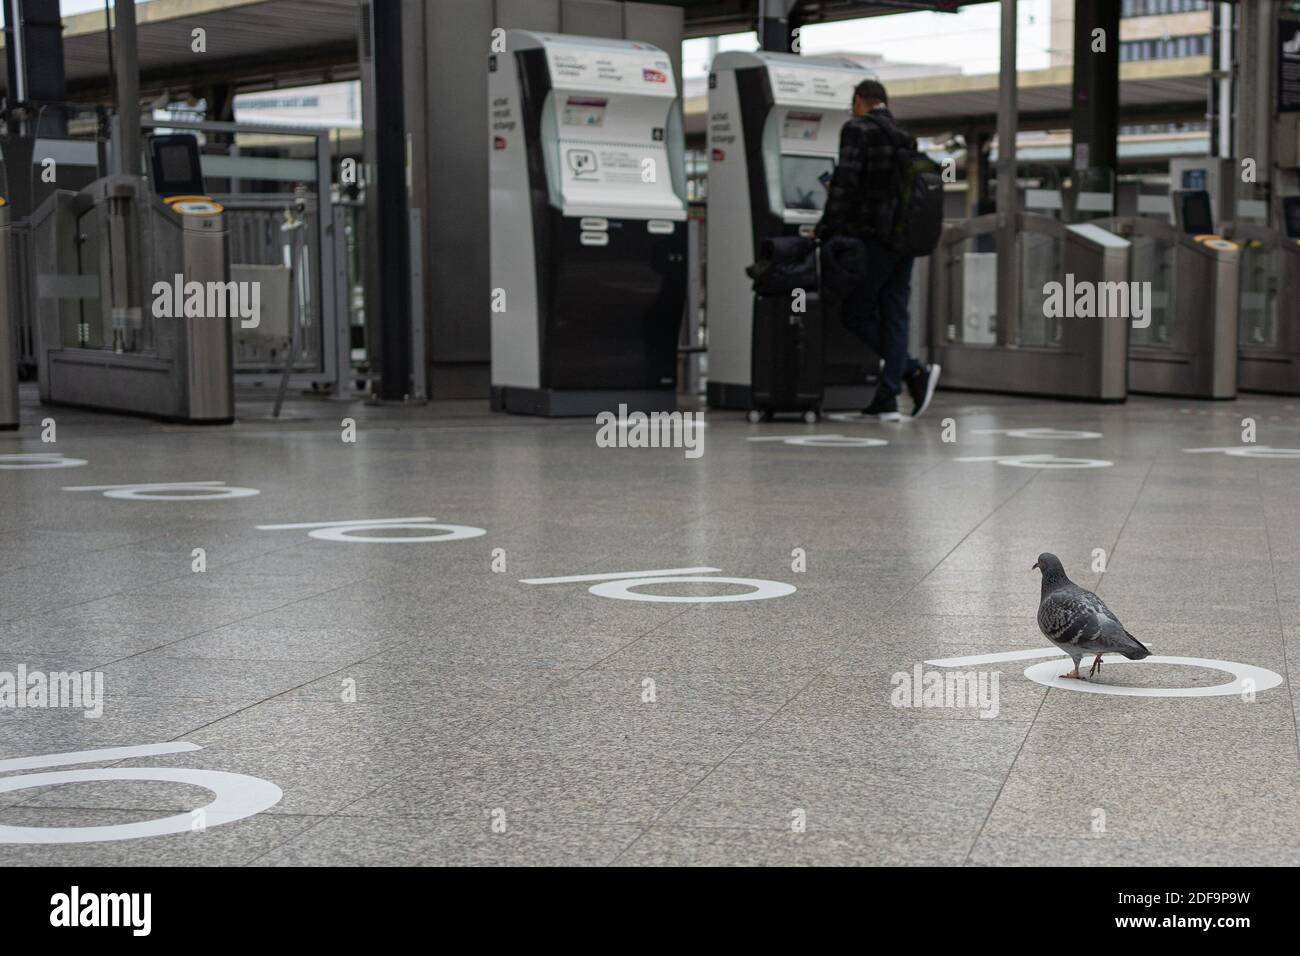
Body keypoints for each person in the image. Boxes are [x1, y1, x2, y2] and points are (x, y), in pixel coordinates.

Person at [816, 79, 940, 422]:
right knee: (895, 313)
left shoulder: (857, 130)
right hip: (906, 237)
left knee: (854, 313)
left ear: (859, 101)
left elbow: (846, 184)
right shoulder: (904, 135)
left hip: (873, 239)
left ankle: (912, 371)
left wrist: (825, 228)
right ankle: (888, 396)